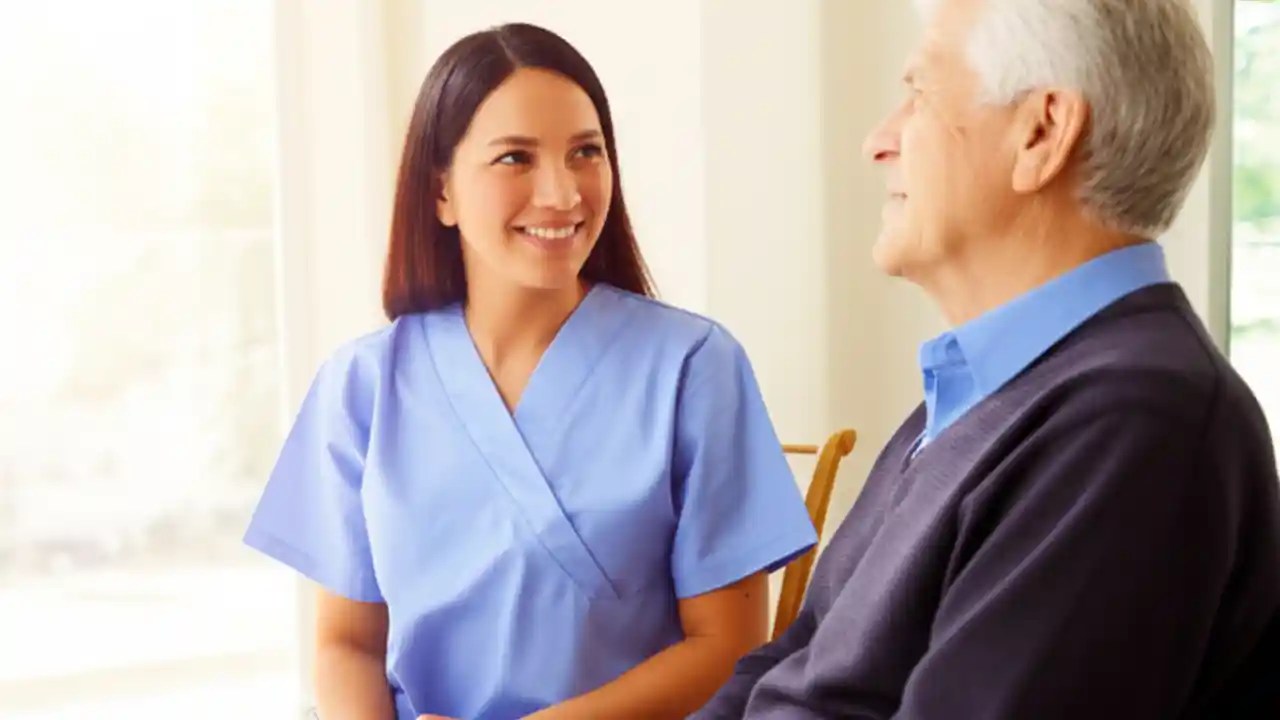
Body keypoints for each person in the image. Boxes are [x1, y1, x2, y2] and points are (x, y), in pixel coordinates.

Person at [694, 0, 1280, 717]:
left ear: (1042, 132)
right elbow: (796, 658)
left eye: (918, 95)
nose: (879, 141)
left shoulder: (1136, 422)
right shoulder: (977, 393)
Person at [243, 22, 816, 720]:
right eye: (516, 158)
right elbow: (346, 644)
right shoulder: (362, 386)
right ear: (441, 193)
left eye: (586, 153)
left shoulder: (694, 368)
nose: (563, 193)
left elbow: (725, 646)